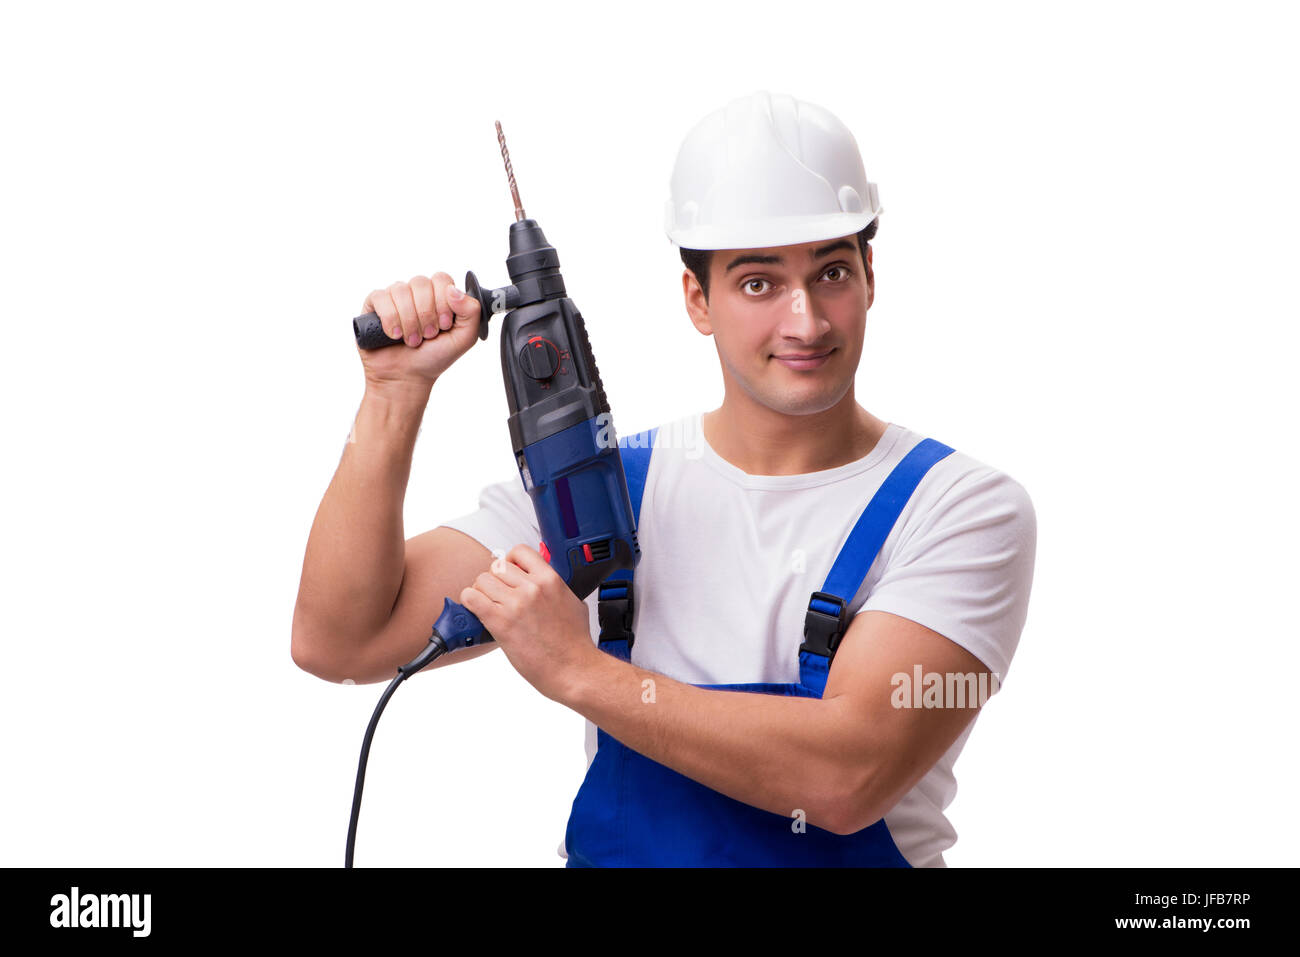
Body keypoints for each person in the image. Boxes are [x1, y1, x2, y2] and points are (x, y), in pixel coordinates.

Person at [292, 90, 1037, 867]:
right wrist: (393, 397)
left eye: (832, 272)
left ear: (870, 276)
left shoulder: (959, 509)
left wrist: (581, 672)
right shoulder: (599, 493)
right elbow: (341, 639)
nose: (806, 321)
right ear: (697, 300)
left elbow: (846, 774)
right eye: (758, 282)